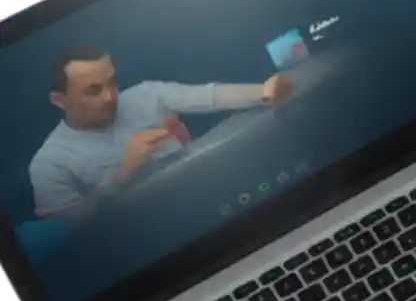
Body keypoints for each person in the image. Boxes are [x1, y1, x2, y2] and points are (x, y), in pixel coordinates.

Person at [29, 45, 294, 220]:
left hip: (213, 200)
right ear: (60, 100)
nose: (111, 96)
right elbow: (71, 234)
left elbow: (209, 96)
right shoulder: (48, 164)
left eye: (112, 82)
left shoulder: (146, 94)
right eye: (93, 90)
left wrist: (263, 91)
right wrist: (123, 173)